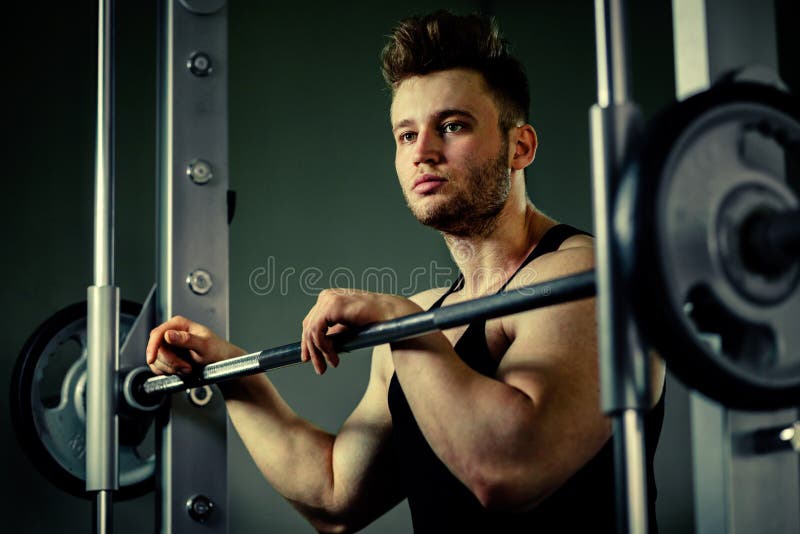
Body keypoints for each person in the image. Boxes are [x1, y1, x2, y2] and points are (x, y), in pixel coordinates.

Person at [146, 10, 666, 533]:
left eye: (453, 126)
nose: (423, 152)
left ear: (520, 146)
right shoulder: (428, 314)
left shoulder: (588, 274)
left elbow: (510, 471)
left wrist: (401, 320)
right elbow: (333, 495)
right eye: (405, 134)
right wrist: (230, 371)